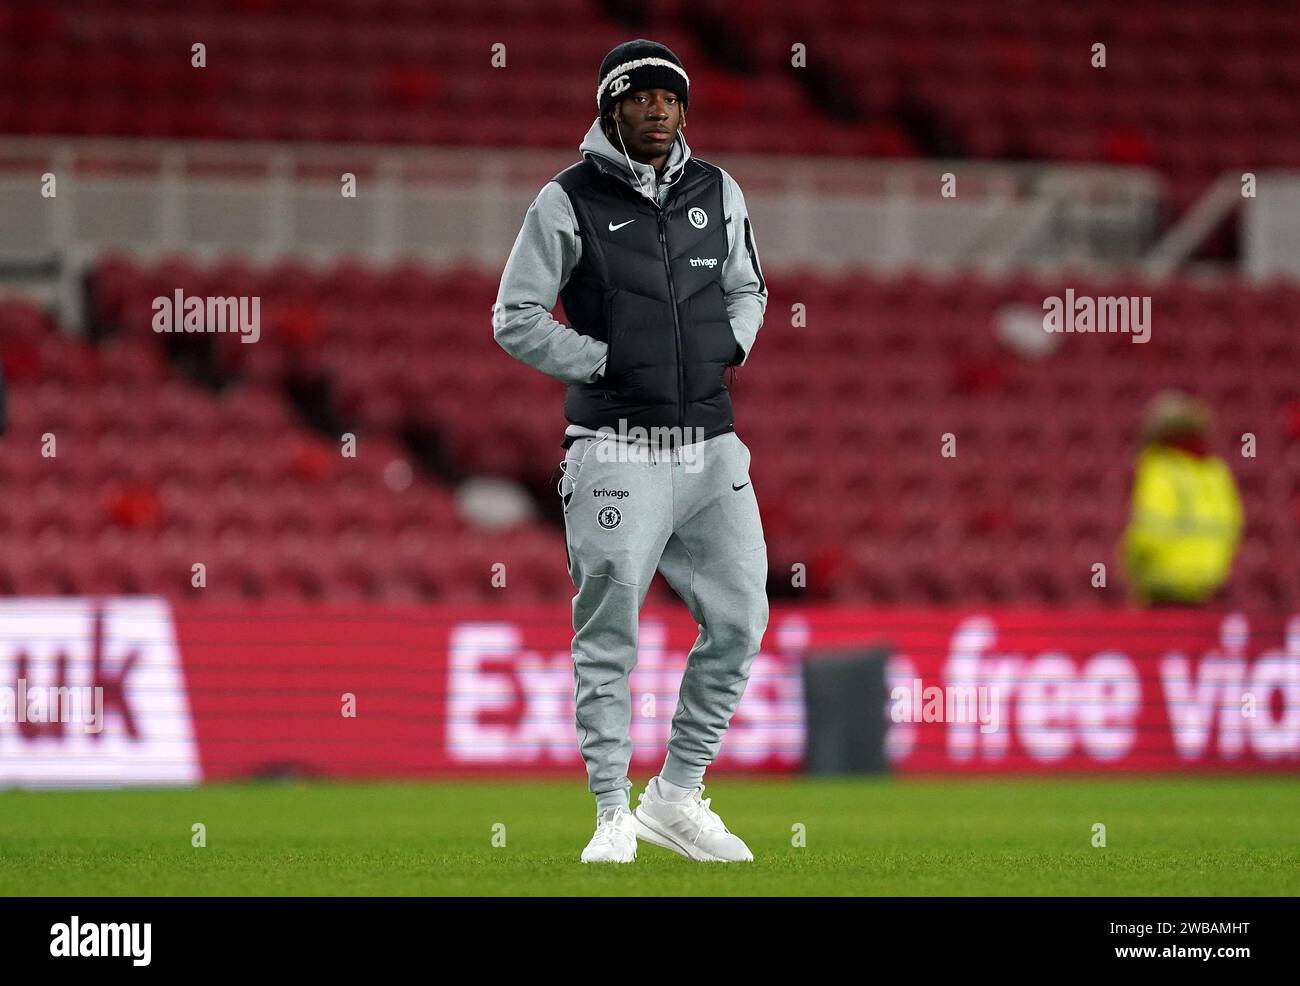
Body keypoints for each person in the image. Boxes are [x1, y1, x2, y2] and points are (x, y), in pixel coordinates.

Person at [493, 39, 769, 862]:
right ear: (611, 108)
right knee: (611, 625)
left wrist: (730, 347)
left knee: (742, 620)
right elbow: (515, 315)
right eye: (640, 96)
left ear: (685, 111)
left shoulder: (717, 190)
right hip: (615, 444)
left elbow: (749, 286)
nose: (658, 109)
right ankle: (611, 811)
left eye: (671, 98)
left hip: (711, 444)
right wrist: (602, 359)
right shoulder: (565, 199)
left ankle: (674, 796)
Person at [1121, 390, 1244, 606]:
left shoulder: (1159, 467)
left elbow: (1151, 529)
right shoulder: (1215, 471)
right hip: (1207, 582)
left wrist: (1131, 563)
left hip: (1163, 584)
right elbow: (1232, 523)